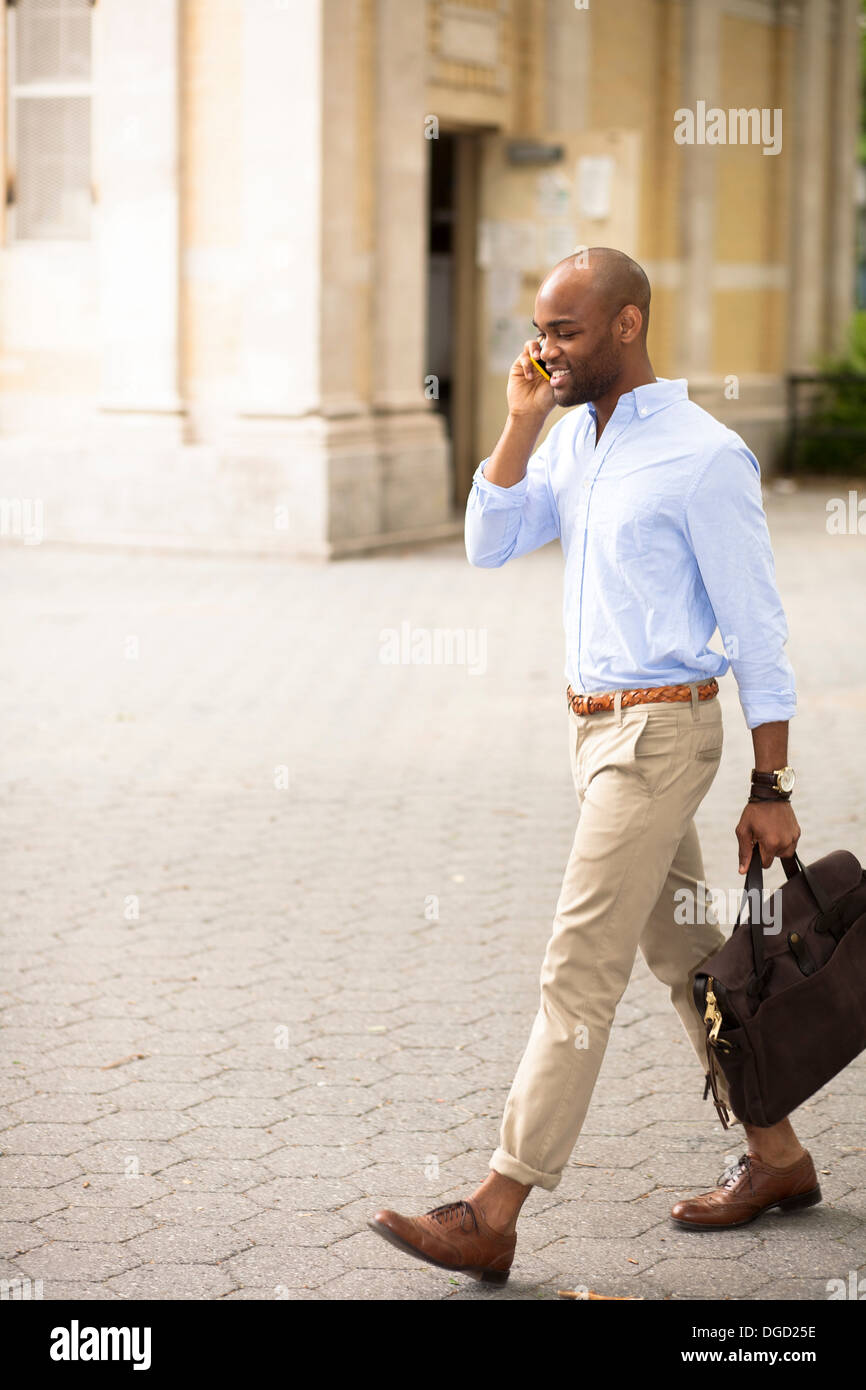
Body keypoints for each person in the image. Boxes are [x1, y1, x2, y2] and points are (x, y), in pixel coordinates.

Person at [368, 247, 819, 1286]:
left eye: (564, 331)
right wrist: (521, 424)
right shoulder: (572, 442)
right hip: (594, 734)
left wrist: (772, 785)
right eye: (538, 329)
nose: (544, 348)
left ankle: (494, 1206)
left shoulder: (705, 456)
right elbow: (487, 543)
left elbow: (757, 631)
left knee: (578, 965)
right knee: (692, 960)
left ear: (625, 324)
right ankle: (779, 1156)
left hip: (661, 737)